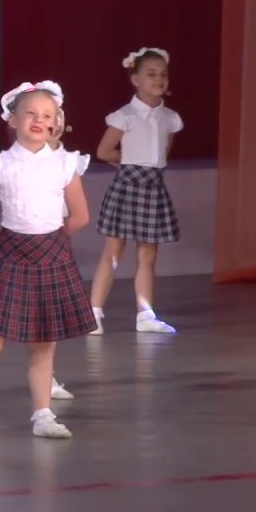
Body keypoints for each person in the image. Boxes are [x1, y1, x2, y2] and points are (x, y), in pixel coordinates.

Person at [0, 81, 95, 443]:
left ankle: (43, 414)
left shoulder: (65, 163)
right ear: (13, 119)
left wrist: (53, 239)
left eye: (46, 115)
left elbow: (80, 215)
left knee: (44, 341)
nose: (38, 120)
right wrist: (3, 238)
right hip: (12, 253)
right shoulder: (0, 164)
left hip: (51, 254)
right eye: (30, 113)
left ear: (55, 122)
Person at [88, 47, 181, 334]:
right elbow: (104, 151)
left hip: (153, 187)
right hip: (128, 185)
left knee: (148, 255)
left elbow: (163, 153)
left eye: (163, 74)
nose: (158, 79)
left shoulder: (170, 118)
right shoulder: (125, 116)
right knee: (113, 251)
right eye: (151, 74)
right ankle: (93, 313)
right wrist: (130, 164)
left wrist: (150, 170)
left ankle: (146, 314)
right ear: (135, 79)